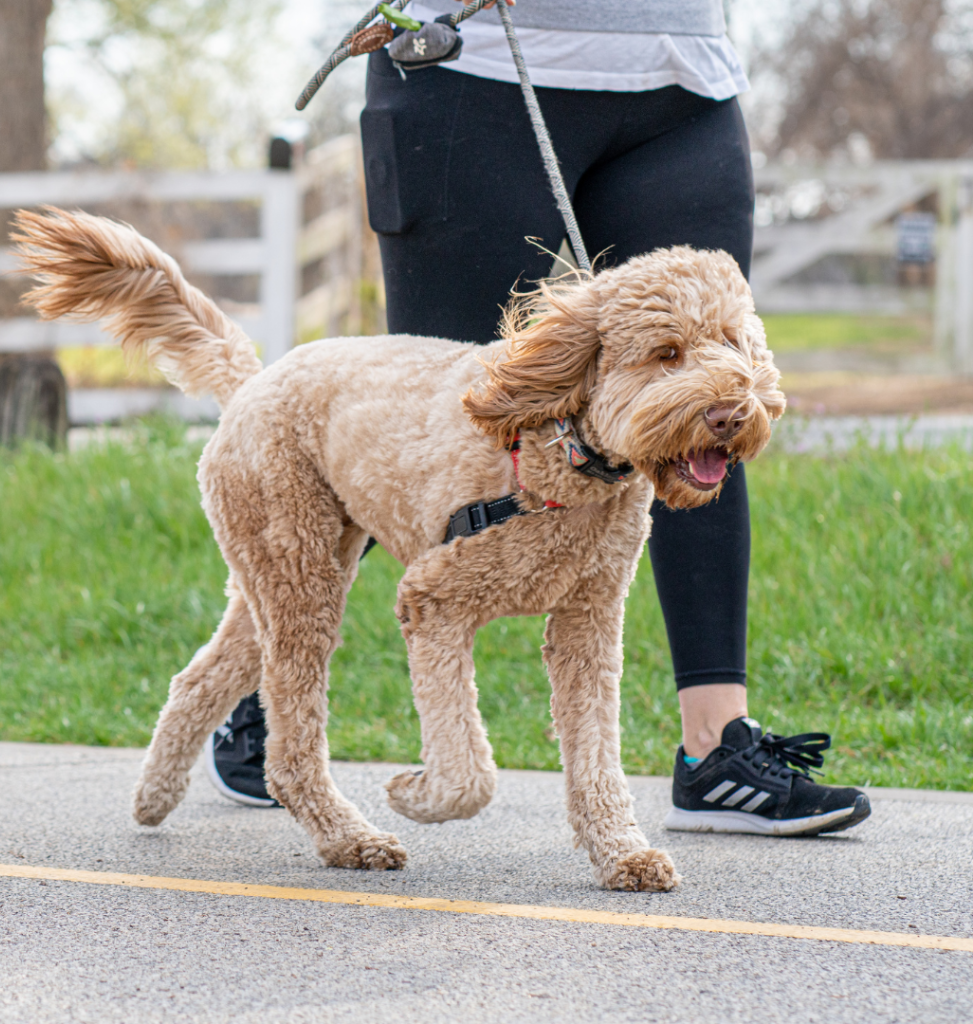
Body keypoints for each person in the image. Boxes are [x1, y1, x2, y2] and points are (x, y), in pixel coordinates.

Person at [207, 0, 870, 837]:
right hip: (469, 62)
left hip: (682, 72)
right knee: (430, 429)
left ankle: (715, 749)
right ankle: (271, 699)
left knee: (704, 409)